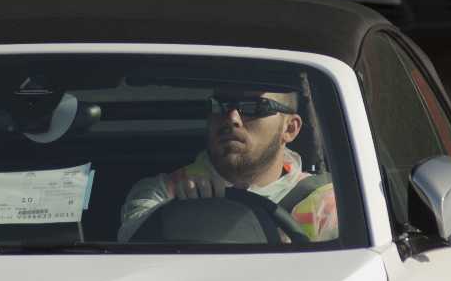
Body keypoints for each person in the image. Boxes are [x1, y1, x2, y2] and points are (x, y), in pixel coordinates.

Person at [119, 88, 338, 243]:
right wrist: (181, 215)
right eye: (220, 105)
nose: (231, 118)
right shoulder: (162, 193)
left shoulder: (328, 204)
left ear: (289, 128)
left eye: (254, 107)